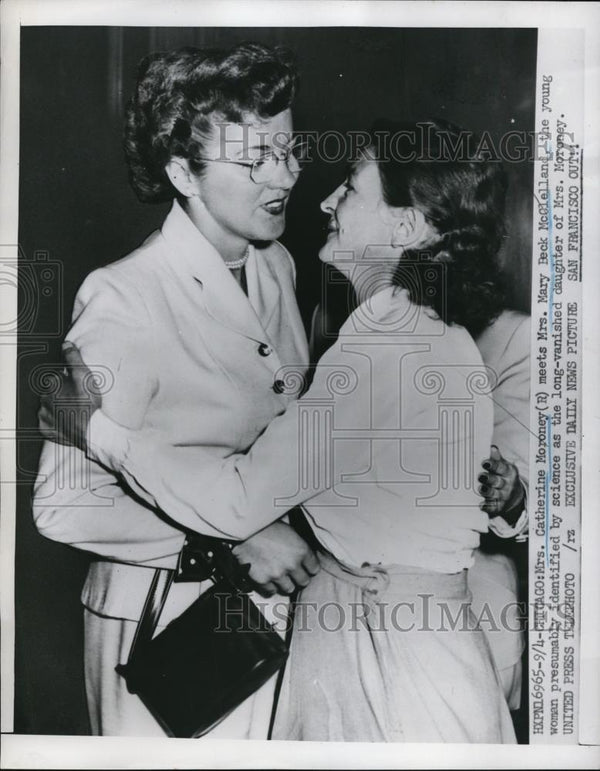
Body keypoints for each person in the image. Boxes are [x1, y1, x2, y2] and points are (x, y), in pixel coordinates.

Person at [39, 121, 519, 742]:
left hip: (381, 657)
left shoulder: (383, 349)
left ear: (404, 229)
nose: (322, 198)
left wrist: (95, 429)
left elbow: (243, 498)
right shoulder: (434, 333)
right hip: (385, 638)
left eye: (349, 187)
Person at [32, 42, 322, 738]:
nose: (284, 175)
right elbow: (62, 504)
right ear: (181, 173)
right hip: (162, 631)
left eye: (288, 149)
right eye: (254, 159)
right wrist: (223, 541)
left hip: (271, 619)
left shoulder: (274, 263)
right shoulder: (127, 296)